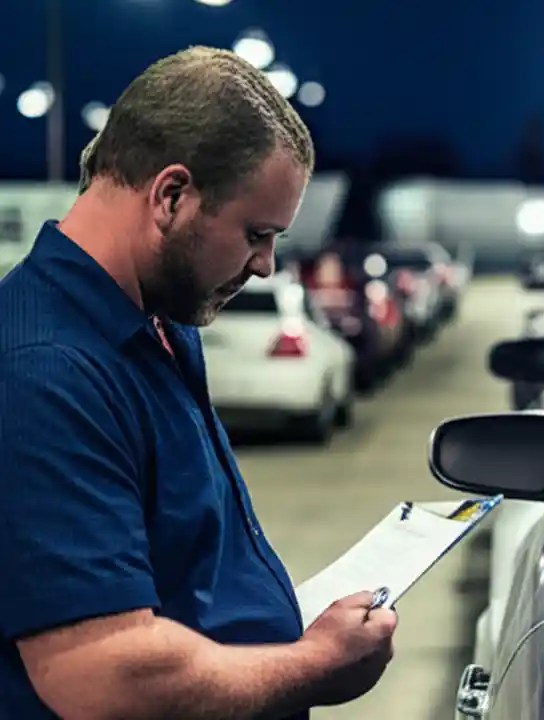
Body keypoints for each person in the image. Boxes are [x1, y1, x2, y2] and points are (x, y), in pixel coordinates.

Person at [0, 47, 397, 719]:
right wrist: (313, 664)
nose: (267, 265)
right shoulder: (46, 371)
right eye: (257, 233)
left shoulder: (156, 322)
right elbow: (102, 678)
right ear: (172, 195)